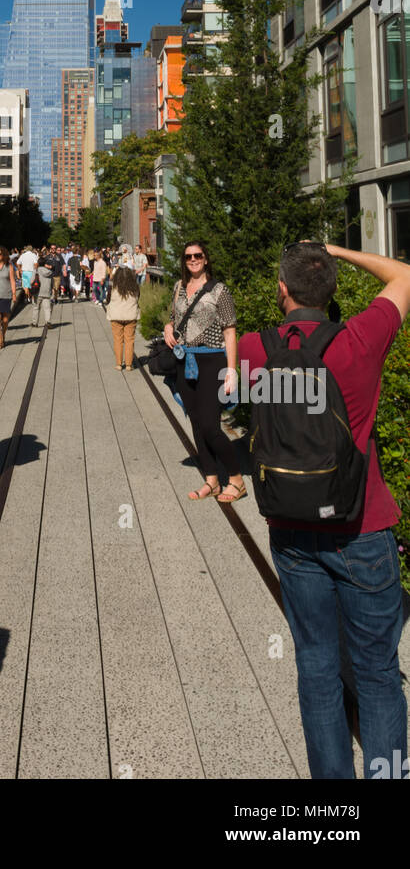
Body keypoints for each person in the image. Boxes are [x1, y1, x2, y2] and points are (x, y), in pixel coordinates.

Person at [238, 240, 410, 781]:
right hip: (363, 527)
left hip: (291, 531)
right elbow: (404, 274)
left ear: (282, 290)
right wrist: (336, 249)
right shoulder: (359, 339)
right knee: (379, 674)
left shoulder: (252, 350)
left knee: (316, 668)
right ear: (333, 293)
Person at [163, 241, 243, 504]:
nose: (193, 260)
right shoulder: (178, 288)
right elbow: (175, 319)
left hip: (212, 362)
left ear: (206, 259)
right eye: (188, 256)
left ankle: (236, 479)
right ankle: (211, 479)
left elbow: (230, 331)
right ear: (184, 260)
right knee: (196, 422)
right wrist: (167, 327)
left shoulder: (219, 291)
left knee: (210, 424)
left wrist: (232, 370)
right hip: (184, 361)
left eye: (198, 255)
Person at [106, 265, 141, 369]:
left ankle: (118, 364)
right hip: (131, 316)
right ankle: (129, 365)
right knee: (129, 340)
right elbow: (138, 298)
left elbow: (108, 299)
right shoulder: (135, 287)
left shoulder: (113, 287)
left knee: (118, 340)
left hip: (116, 316)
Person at [31, 255, 54, 330]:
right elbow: (52, 282)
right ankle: (48, 322)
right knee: (47, 308)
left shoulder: (36, 270)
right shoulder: (49, 272)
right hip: (46, 292)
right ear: (45, 263)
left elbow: (32, 281)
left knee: (36, 307)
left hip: (37, 292)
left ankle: (35, 323)